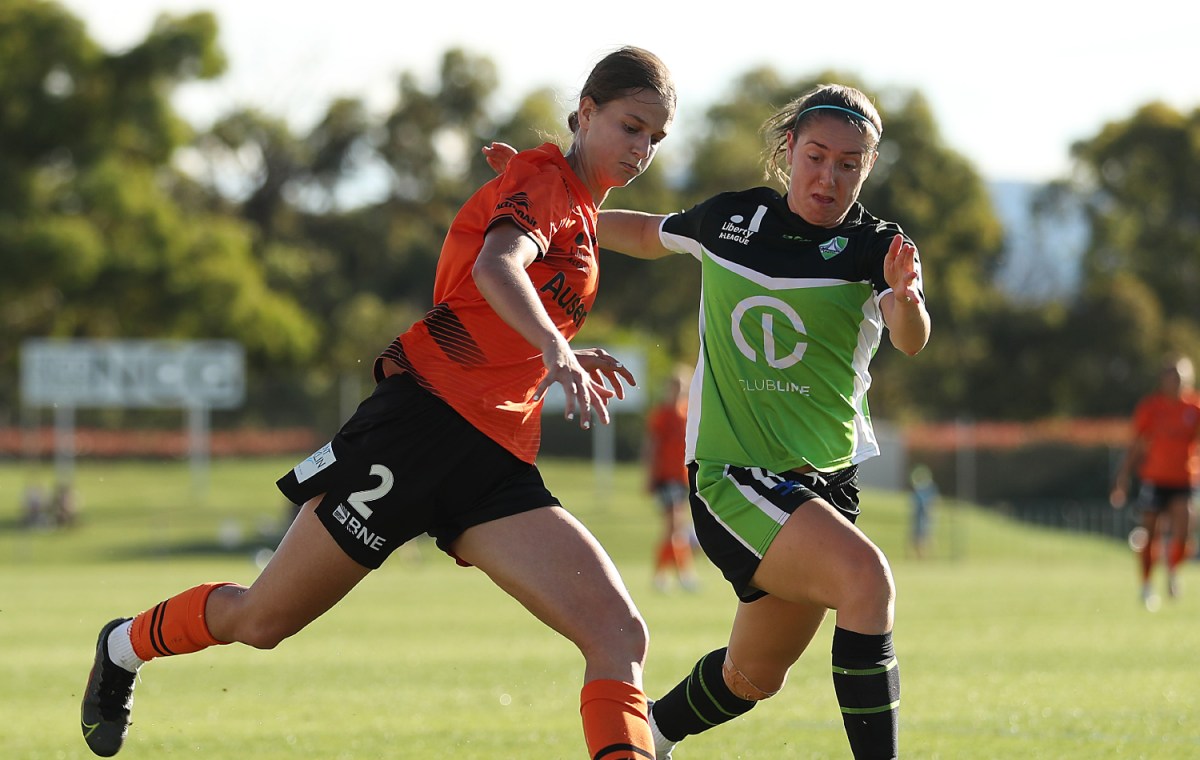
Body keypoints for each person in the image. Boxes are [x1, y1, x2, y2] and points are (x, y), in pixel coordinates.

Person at [80, 46, 676, 760]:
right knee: (262, 619)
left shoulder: (574, 205)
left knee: (618, 634)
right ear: (586, 112)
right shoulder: (547, 183)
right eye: (630, 127)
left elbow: (636, 232)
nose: (641, 149)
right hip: (418, 429)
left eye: (656, 138)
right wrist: (555, 348)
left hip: (494, 459)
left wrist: (729, 238)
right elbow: (496, 264)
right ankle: (121, 647)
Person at [488, 82, 929, 759]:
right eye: (816, 156)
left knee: (752, 676)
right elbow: (636, 231)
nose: (829, 176)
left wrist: (905, 294)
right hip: (734, 478)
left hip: (825, 492)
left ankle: (652, 738)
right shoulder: (732, 222)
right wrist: (545, 197)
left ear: (868, 166)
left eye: (850, 163)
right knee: (867, 582)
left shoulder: (877, 248)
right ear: (789, 149)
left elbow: (910, 336)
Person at [1110, 354, 1200, 609]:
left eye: (1183, 377)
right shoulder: (1151, 408)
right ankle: (1147, 586)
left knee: (1183, 533)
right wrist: (1122, 477)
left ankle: (1172, 569)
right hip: (1155, 478)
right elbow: (1136, 445)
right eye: (1174, 377)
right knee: (1150, 533)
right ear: (1164, 379)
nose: (1179, 382)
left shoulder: (1195, 408)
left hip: (1184, 479)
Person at [644, 366, 699, 592]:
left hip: (682, 477)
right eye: (673, 386)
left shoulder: (689, 413)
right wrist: (649, 475)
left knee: (677, 527)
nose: (676, 390)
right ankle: (679, 575)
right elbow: (651, 446)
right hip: (665, 477)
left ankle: (667, 575)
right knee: (674, 526)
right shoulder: (662, 415)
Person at [908, 464, 938, 559]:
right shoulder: (918, 492)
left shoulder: (927, 491)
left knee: (925, 537)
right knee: (916, 538)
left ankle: (926, 556)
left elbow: (932, 504)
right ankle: (920, 556)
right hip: (917, 518)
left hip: (924, 518)